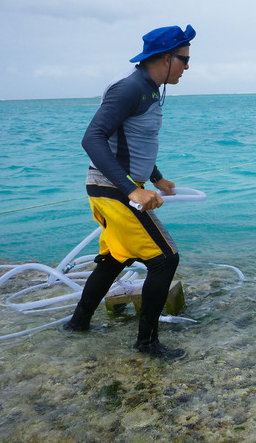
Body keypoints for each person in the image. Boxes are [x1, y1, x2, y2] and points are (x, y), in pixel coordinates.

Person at [63, 24, 195, 361]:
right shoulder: (131, 88)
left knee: (115, 258)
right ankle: (147, 344)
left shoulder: (150, 88)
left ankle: (77, 325)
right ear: (165, 58)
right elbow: (92, 138)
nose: (187, 67)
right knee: (165, 258)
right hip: (113, 188)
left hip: (112, 187)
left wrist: (157, 178)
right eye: (183, 59)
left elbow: (134, 142)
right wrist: (131, 190)